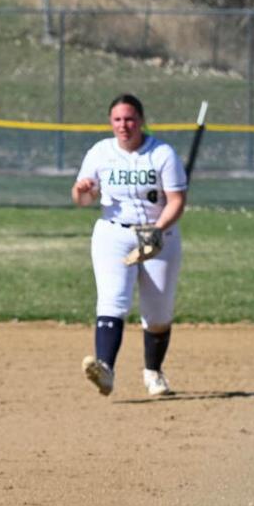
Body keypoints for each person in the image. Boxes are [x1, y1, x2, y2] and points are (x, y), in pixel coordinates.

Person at [72, 93, 187, 397]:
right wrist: (83, 191)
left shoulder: (162, 153)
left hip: (159, 236)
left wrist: (158, 229)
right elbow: (82, 199)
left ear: (141, 121)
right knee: (112, 301)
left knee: (158, 314)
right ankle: (105, 370)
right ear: (111, 122)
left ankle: (153, 372)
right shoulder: (100, 152)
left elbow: (177, 200)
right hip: (113, 235)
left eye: (130, 119)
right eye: (118, 119)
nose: (124, 125)